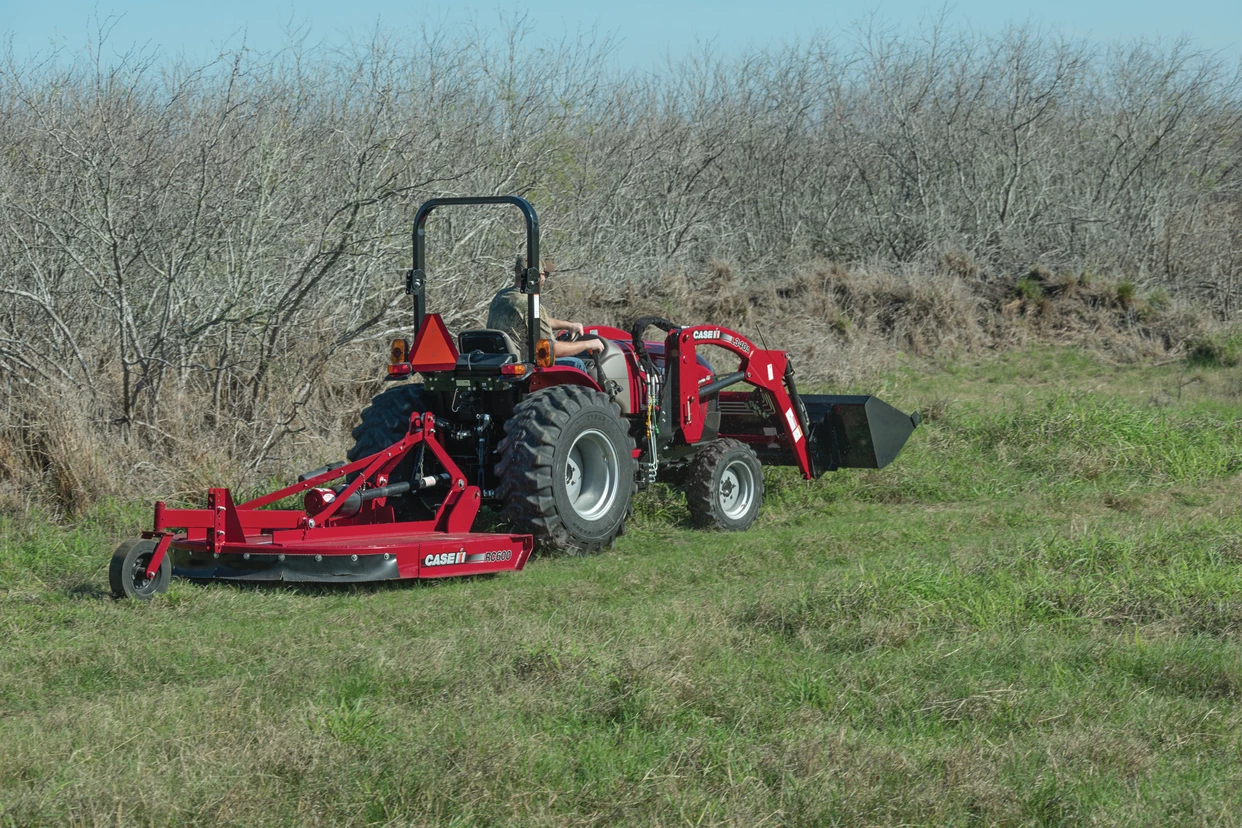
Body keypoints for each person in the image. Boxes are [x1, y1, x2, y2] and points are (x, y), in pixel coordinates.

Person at [486, 259, 602, 369]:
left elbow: (532, 320)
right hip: (526, 364)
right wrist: (589, 344)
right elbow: (553, 349)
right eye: (544, 274)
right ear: (535, 276)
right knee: (577, 363)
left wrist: (568, 325)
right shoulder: (528, 304)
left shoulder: (502, 296)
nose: (544, 279)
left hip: (503, 361)